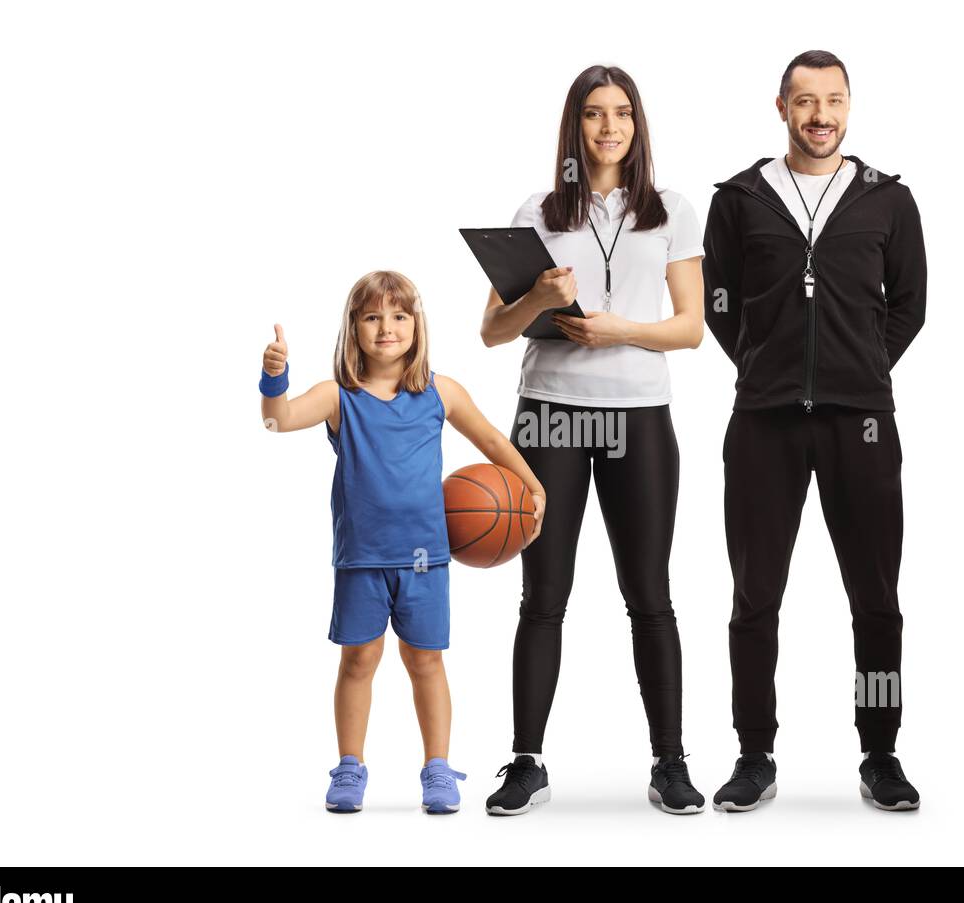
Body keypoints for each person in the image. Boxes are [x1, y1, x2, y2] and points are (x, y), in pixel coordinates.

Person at [478, 65, 707, 814]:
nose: (609, 128)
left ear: (637, 125)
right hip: (550, 413)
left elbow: (691, 327)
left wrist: (620, 331)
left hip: (639, 414)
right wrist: (539, 296)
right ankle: (525, 761)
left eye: (621, 115)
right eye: (593, 115)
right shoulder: (537, 211)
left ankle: (669, 762)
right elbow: (490, 331)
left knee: (650, 595)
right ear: (573, 128)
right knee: (543, 596)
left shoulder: (670, 210)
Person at [703, 50, 927, 811]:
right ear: (781, 108)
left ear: (850, 107)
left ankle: (881, 751)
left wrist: (856, 368)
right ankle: (754, 752)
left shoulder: (887, 200)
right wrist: (767, 366)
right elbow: (720, 301)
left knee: (877, 599)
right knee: (753, 597)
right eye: (805, 101)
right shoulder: (739, 197)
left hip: (860, 422)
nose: (820, 115)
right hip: (762, 424)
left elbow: (909, 306)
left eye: (833, 100)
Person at [259, 270, 546, 814]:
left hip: (425, 562)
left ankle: (437, 769)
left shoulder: (440, 390)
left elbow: (490, 440)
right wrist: (275, 378)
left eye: (398, 316)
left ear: (416, 326)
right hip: (362, 559)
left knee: (426, 663)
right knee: (358, 662)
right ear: (352, 328)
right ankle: (349, 767)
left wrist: (533, 487)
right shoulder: (336, 396)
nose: (386, 327)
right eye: (371, 316)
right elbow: (278, 421)